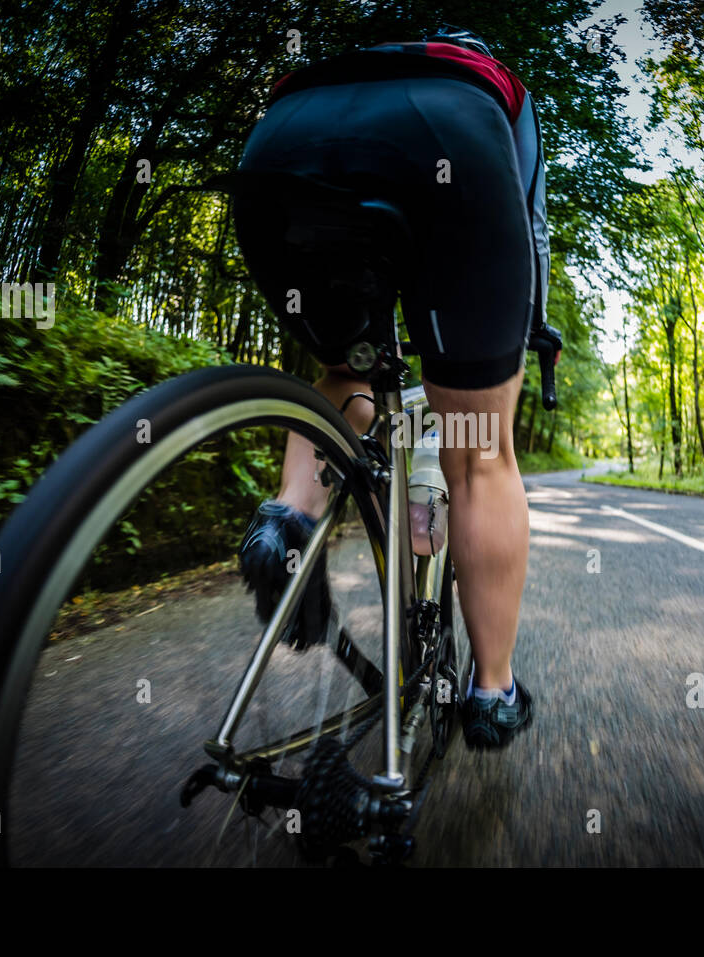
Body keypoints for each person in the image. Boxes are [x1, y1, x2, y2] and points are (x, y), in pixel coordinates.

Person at [232, 25, 553, 750]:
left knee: (349, 365)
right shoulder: (497, 84)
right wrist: (523, 339)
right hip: (449, 132)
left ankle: (290, 517)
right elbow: (529, 242)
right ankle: (493, 692)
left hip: (279, 144)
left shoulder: (361, 60)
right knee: (481, 453)